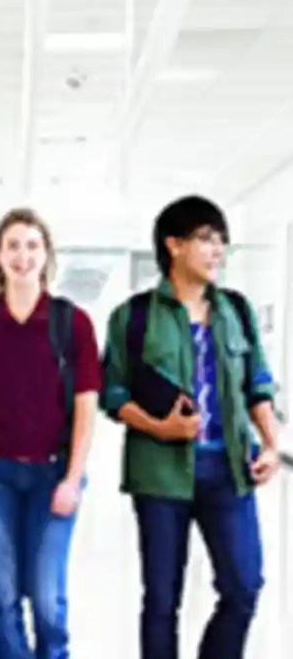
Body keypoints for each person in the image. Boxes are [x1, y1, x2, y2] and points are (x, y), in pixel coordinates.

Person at [99, 195, 281, 659]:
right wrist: (159, 428)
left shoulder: (236, 311)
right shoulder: (134, 316)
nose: (217, 249)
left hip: (228, 471)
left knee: (244, 585)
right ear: (174, 245)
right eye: (205, 238)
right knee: (162, 601)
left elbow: (258, 382)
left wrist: (272, 444)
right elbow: (113, 392)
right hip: (160, 476)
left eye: (221, 240)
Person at [0, 207, 101, 659]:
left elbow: (86, 404)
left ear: (47, 256)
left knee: (46, 597)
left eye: (32, 245)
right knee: (2, 594)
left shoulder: (71, 323)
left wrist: (73, 478)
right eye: (13, 246)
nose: (23, 256)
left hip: (53, 473)